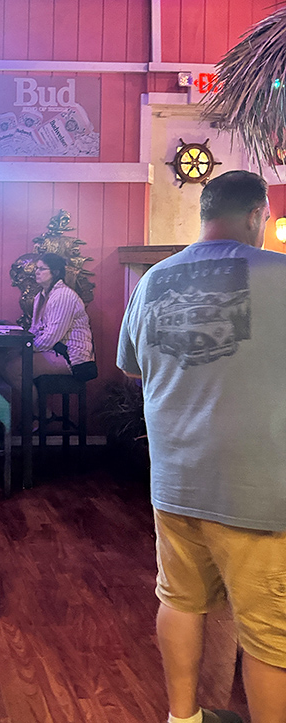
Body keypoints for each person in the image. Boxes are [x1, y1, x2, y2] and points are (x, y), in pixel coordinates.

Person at [117, 170, 286, 723]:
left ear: (203, 214)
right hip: (258, 491)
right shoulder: (280, 273)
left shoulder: (152, 281)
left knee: (181, 601)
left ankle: (182, 718)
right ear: (258, 214)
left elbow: (132, 369)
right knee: (270, 637)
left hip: (174, 483)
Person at [4, 252, 95, 407]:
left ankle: (40, 415)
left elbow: (51, 338)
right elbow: (35, 329)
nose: (36, 272)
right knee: (6, 358)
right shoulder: (41, 295)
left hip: (71, 356)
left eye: (42, 269)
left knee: (13, 369)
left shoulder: (63, 296)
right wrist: (20, 348)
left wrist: (27, 349)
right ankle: (36, 415)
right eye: (36, 268)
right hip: (54, 351)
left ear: (56, 272)